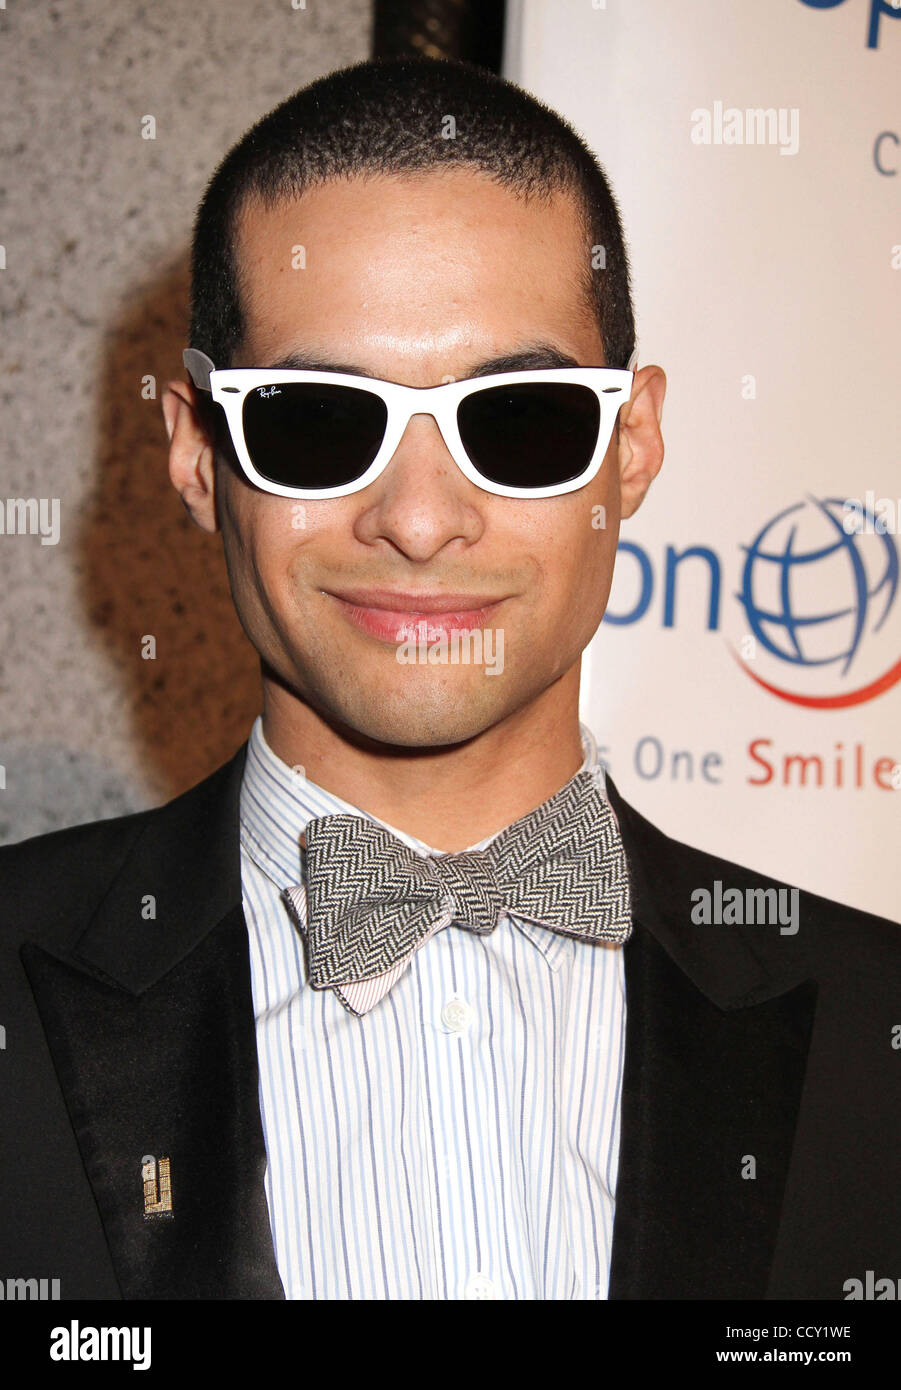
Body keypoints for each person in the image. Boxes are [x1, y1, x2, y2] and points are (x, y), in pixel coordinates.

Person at [1, 55, 899, 1303]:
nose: (420, 521)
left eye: (518, 418)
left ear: (629, 446)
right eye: (320, 418)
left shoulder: (876, 1034)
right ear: (199, 453)